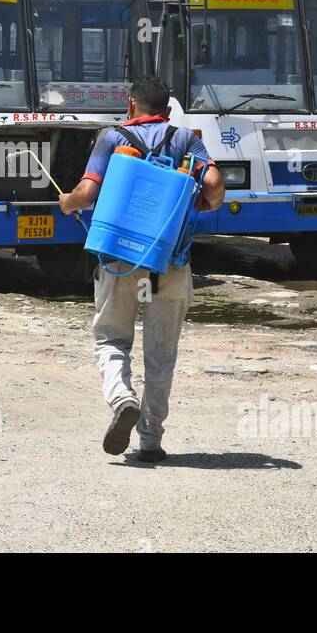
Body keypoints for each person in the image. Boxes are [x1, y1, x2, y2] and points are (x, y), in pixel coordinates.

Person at [58, 77, 224, 463]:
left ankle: (122, 399)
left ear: (131, 104)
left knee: (112, 340)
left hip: (119, 263)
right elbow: (215, 185)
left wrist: (68, 202)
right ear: (166, 109)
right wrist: (199, 204)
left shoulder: (111, 139)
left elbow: (87, 193)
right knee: (160, 356)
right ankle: (150, 441)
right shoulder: (185, 140)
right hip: (169, 264)